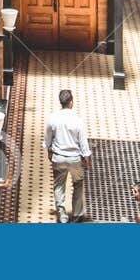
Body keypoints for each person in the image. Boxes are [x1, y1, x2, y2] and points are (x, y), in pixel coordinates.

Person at [44, 88, 91, 222]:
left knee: (59, 185)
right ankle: (77, 214)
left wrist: (49, 152)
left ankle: (62, 214)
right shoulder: (78, 120)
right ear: (71, 102)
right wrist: (87, 161)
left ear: (61, 102)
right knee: (78, 184)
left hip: (58, 157)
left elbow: (48, 139)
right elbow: (83, 144)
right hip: (75, 158)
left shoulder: (52, 118)